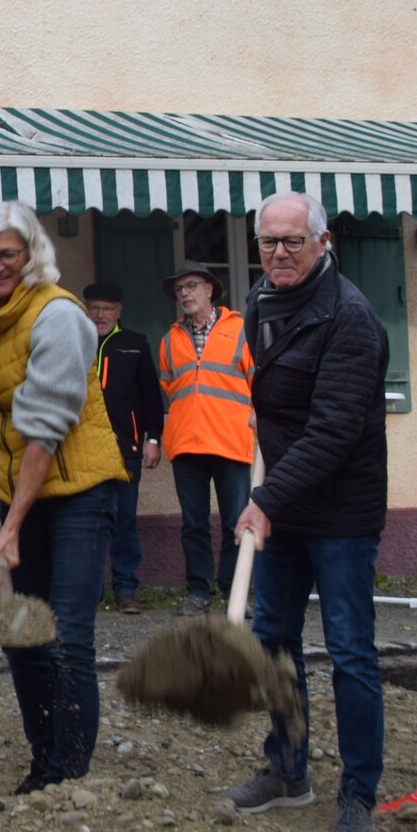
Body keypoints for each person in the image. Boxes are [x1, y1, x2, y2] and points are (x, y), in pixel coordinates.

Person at [223, 193, 391, 832]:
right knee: (274, 640)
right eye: (268, 241)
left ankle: (358, 792)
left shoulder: (350, 317)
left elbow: (335, 431)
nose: (279, 252)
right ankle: (287, 770)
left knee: (350, 650)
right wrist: (271, 489)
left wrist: (263, 500)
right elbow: (274, 403)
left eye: (293, 240)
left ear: (324, 242)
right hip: (286, 501)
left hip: (342, 508)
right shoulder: (262, 301)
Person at [0, 205, 127, 792]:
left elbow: (44, 429)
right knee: (23, 634)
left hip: (77, 488)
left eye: (10, 253)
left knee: (67, 634)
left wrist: (11, 525)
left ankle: (70, 773)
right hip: (18, 484)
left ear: (32, 258)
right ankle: (43, 763)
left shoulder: (58, 316)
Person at [156, 264, 255, 616]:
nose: (184, 293)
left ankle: (233, 591)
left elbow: (259, 384)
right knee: (193, 524)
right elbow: (170, 388)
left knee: (235, 523)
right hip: (186, 445)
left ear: (210, 290)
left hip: (231, 442)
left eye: (191, 285)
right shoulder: (169, 340)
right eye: (179, 288)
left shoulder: (242, 331)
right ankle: (199, 591)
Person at [83, 281, 164, 615]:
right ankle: (89, 590)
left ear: (119, 311)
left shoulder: (135, 344)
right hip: (83, 449)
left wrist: (153, 440)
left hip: (125, 449)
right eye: (95, 308)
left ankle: (126, 588)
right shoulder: (75, 342)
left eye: (107, 308)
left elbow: (151, 397)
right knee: (85, 520)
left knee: (124, 519)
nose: (100, 314)